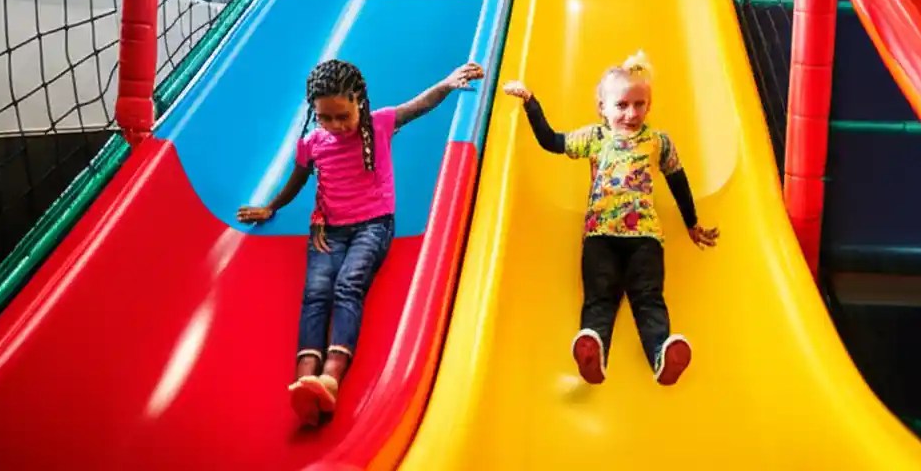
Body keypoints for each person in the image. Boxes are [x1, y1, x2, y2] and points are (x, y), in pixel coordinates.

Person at [237, 58, 484, 425]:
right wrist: (270, 206)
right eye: (326, 118)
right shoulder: (311, 143)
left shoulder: (379, 124)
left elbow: (418, 106)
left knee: (348, 285)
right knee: (316, 293)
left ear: (359, 102)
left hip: (373, 226)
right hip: (329, 229)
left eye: (343, 116)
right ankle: (305, 379)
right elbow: (299, 180)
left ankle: (331, 378)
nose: (335, 126)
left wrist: (447, 83)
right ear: (315, 113)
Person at [501, 51, 718, 386]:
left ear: (649, 105)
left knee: (649, 301)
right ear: (602, 107)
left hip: (646, 238)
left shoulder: (658, 142)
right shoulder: (594, 137)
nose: (631, 113)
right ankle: (592, 350)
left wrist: (691, 223)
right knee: (599, 300)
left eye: (639, 104)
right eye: (622, 105)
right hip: (599, 236)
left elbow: (678, 180)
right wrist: (530, 101)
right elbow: (551, 141)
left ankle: (663, 355)